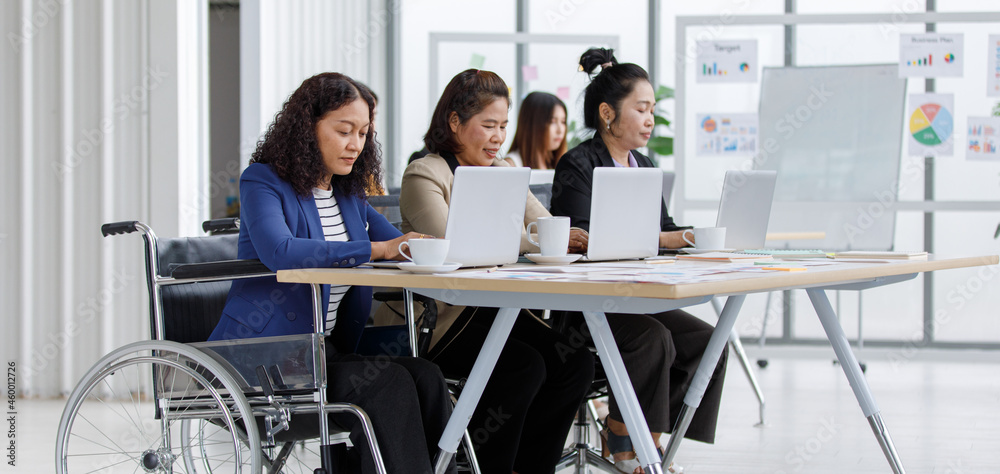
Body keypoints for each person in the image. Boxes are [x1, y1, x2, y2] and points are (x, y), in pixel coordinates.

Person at [207, 72, 454, 474]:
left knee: (426, 376)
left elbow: (402, 246)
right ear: (308, 128)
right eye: (344, 131)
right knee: (387, 385)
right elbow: (281, 251)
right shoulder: (262, 181)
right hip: (268, 362)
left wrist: (453, 249)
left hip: (324, 353)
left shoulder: (347, 194)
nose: (355, 144)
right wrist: (375, 249)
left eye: (363, 133)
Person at [392, 68, 594, 474]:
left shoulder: (503, 171)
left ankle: (530, 467)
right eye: (489, 125)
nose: (499, 136)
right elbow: (451, 242)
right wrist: (538, 239)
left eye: (503, 125)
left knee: (575, 364)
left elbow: (545, 226)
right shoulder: (425, 173)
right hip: (443, 320)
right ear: (455, 123)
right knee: (524, 367)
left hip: (496, 309)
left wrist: (570, 236)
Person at [550, 48, 728, 474]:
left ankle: (648, 447)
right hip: (587, 303)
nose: (650, 119)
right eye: (642, 109)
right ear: (608, 114)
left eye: (652, 110)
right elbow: (582, 237)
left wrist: (693, 237)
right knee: (654, 339)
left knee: (709, 343)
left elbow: (662, 231)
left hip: (637, 296)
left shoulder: (644, 165)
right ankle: (631, 453)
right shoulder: (578, 164)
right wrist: (673, 237)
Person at [504, 91, 568, 170]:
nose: (560, 130)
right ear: (532, 125)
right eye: (552, 122)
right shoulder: (511, 165)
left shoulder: (557, 164)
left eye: (563, 122)